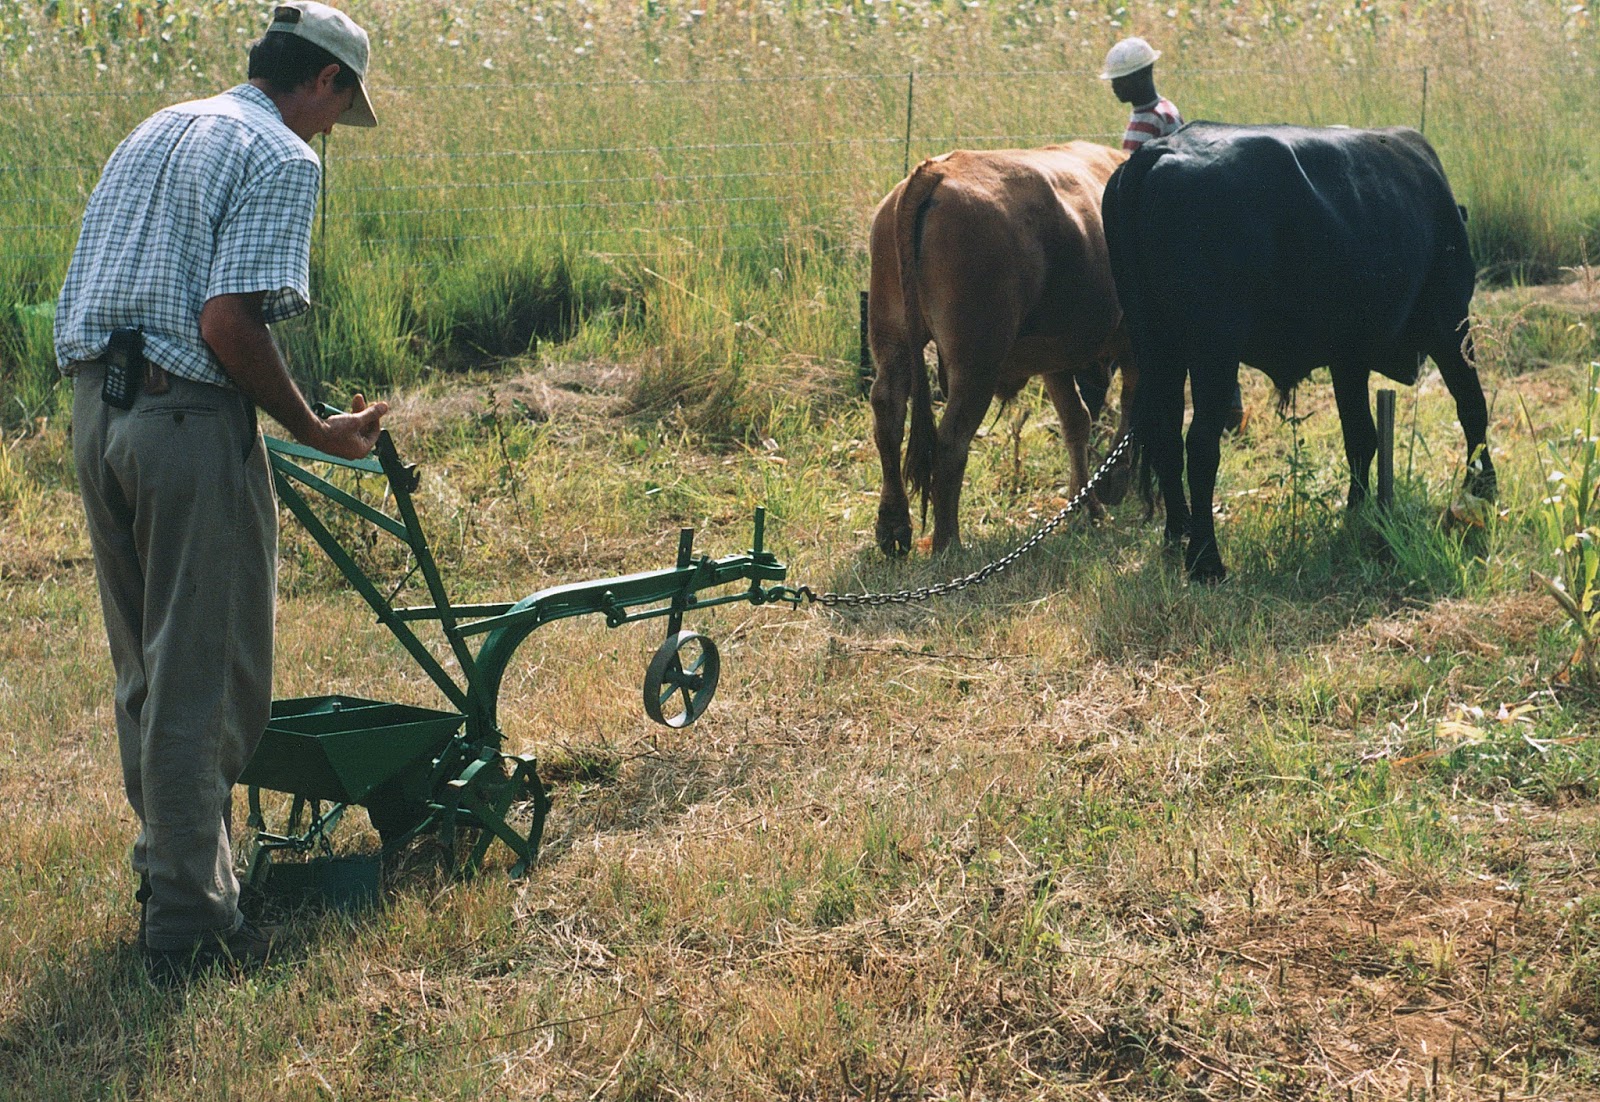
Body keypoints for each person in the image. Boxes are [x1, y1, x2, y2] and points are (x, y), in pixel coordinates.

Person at [55, 1, 388, 978]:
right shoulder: (283, 156)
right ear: (321, 80)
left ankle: (171, 879)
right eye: (341, 105)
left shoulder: (159, 125)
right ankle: (192, 931)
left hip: (97, 412)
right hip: (186, 426)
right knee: (207, 680)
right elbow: (227, 325)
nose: (334, 127)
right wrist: (316, 427)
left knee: (147, 672)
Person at [1095, 37, 1248, 433]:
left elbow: (1135, 174)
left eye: (1121, 80)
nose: (1114, 87)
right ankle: (1227, 404)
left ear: (1142, 77)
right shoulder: (1164, 111)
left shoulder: (1148, 120)